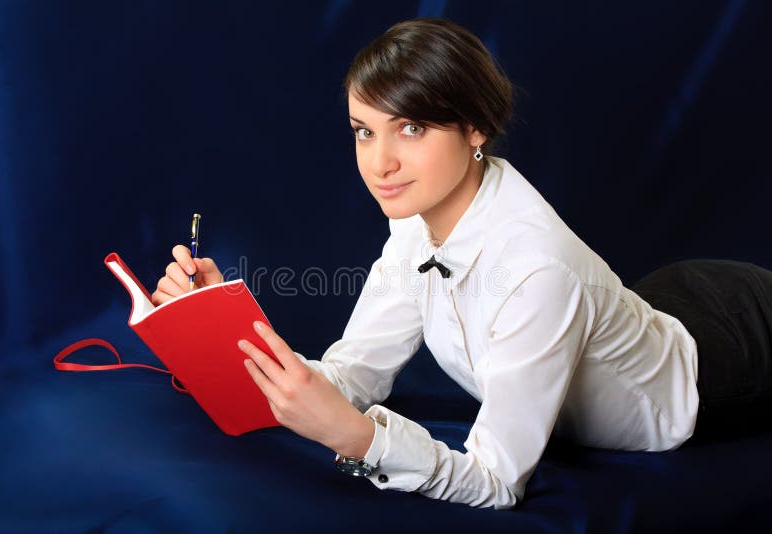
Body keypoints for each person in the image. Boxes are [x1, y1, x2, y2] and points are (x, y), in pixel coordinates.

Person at [151, 18, 772, 509]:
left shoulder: (537, 272)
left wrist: (359, 439)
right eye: (363, 131)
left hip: (727, 354)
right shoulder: (413, 221)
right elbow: (351, 376)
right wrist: (218, 326)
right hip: (658, 301)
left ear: (475, 128)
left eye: (411, 128)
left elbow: (497, 482)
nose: (379, 162)